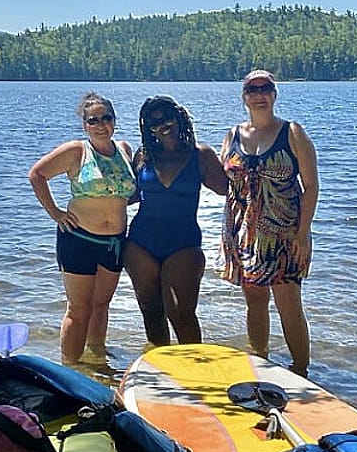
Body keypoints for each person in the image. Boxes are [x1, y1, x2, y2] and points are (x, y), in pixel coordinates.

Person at [218, 70, 319, 376]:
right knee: (255, 303)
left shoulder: (292, 133)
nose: (259, 94)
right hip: (245, 235)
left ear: (274, 95)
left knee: (289, 305)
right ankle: (259, 366)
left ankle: (301, 372)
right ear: (243, 97)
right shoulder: (232, 135)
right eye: (252, 89)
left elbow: (311, 186)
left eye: (265, 88)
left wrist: (303, 234)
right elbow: (227, 183)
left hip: (286, 234)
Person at [29, 91, 136, 365]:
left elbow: (129, 192)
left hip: (113, 242)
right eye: (93, 120)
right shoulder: (77, 150)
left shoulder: (124, 150)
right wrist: (56, 213)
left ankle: (97, 363)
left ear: (115, 120)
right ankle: (71, 369)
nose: (101, 125)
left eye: (106, 118)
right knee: (79, 309)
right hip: (78, 239)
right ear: (84, 125)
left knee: (101, 305)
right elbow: (37, 175)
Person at [124, 95, 228, 346]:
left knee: (181, 313)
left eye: (167, 116)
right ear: (148, 128)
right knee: (150, 308)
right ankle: (160, 368)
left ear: (179, 116)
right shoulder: (144, 157)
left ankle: (195, 368)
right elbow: (126, 196)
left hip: (184, 244)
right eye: (154, 121)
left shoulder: (200, 154)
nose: (162, 124)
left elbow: (228, 189)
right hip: (140, 243)